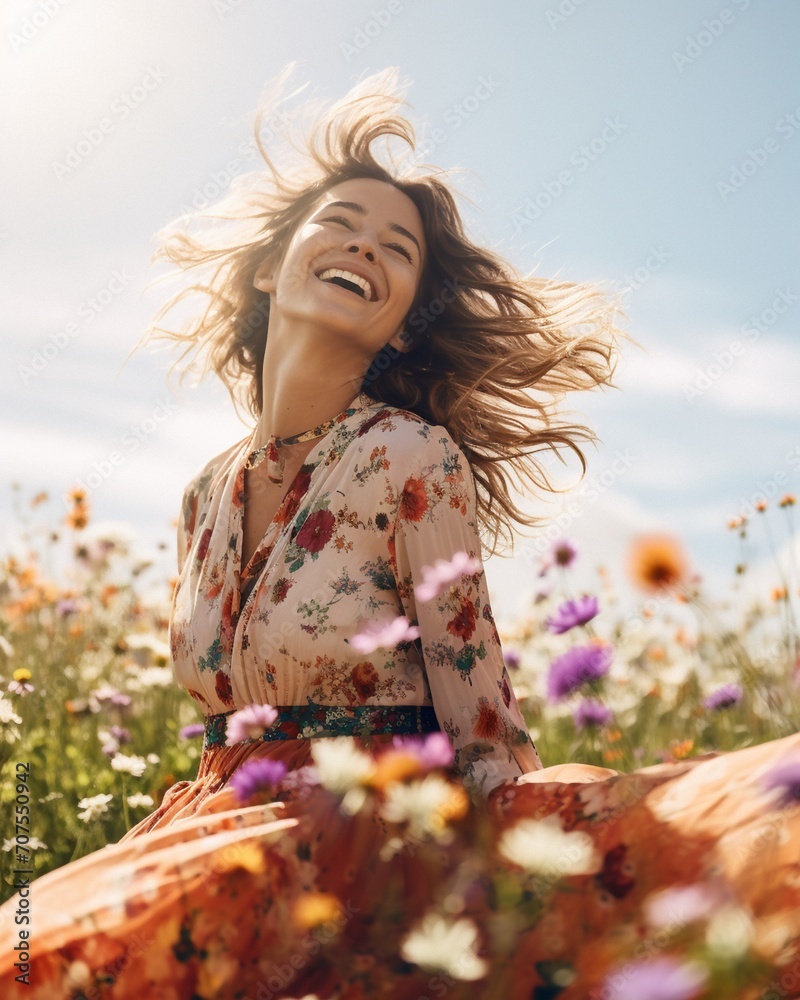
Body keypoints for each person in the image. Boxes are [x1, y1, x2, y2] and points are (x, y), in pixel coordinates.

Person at [1, 68, 799, 1000]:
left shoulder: (411, 457)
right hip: (216, 826)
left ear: (404, 328)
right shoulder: (202, 494)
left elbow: (480, 715)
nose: (364, 248)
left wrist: (513, 882)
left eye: (397, 248)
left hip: (363, 837)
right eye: (339, 224)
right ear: (272, 267)